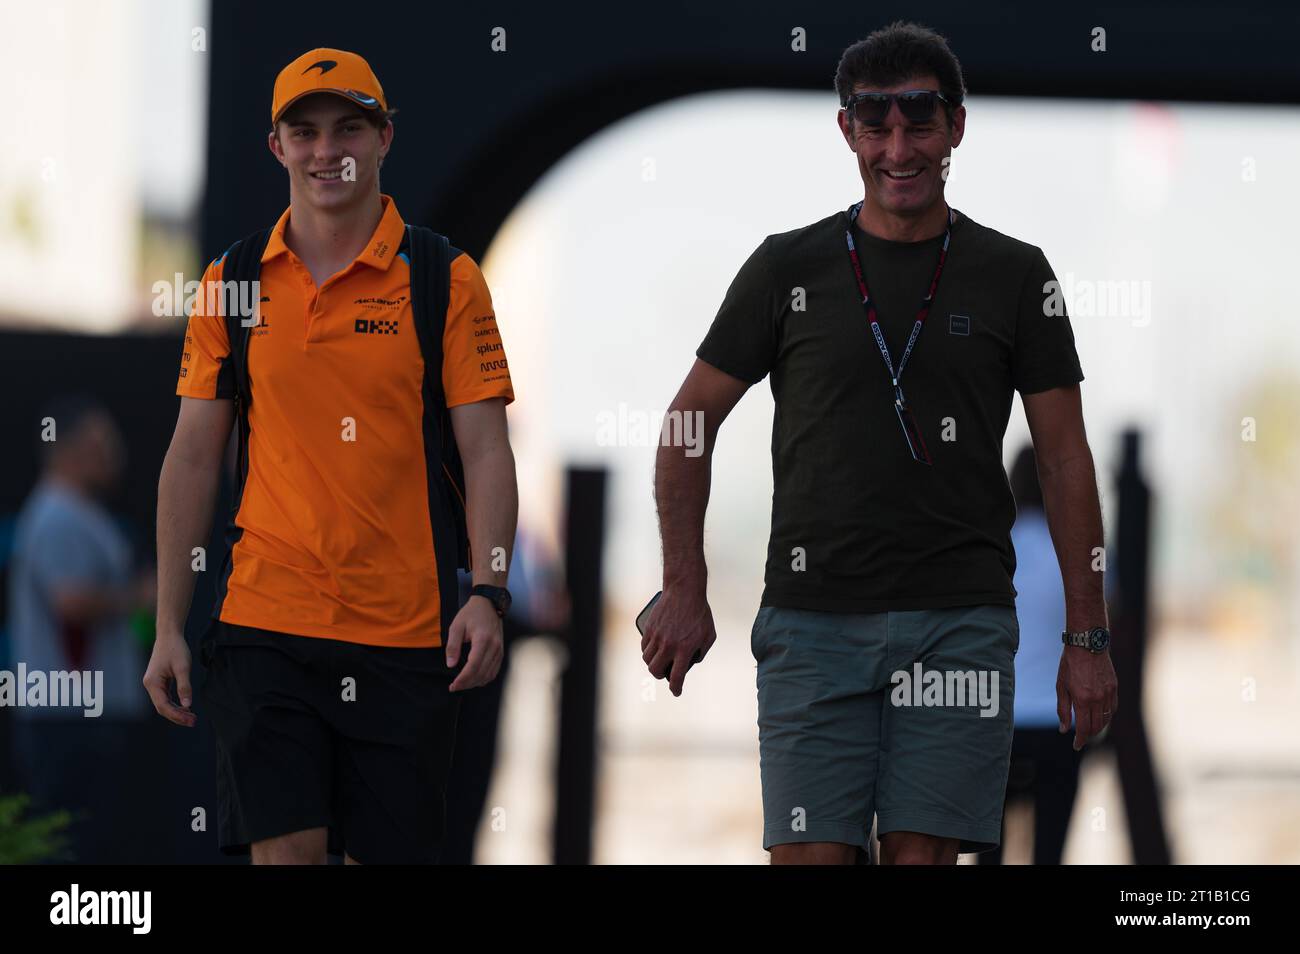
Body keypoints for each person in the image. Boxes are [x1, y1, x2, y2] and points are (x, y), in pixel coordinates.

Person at [644, 21, 1118, 865]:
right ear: (847, 130)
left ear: (956, 127)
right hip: (811, 623)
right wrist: (684, 583)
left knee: (919, 858)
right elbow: (688, 423)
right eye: (875, 122)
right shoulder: (787, 268)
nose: (898, 146)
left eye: (919, 120)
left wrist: (1087, 641)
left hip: (959, 621)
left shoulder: (1016, 274)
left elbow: (1065, 460)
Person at [144, 48, 519, 865]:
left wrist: (489, 592)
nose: (326, 150)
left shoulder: (445, 280)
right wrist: (171, 625)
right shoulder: (231, 282)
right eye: (303, 131)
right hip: (264, 624)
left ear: (384, 138)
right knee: (288, 854)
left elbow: (487, 452)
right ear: (276, 147)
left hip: (407, 634)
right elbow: (192, 460)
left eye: (348, 127)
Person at [8, 395, 155, 861]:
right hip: (71, 714)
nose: (116, 455)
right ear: (69, 449)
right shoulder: (58, 514)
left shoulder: (81, 512)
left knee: (94, 839)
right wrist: (144, 596)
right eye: (103, 444)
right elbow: (69, 602)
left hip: (85, 711)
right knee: (74, 845)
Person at [979, 445, 1085, 865]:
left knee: (988, 851)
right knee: (1050, 853)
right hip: (1059, 724)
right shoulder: (1074, 553)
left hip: (998, 722)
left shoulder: (997, 549)